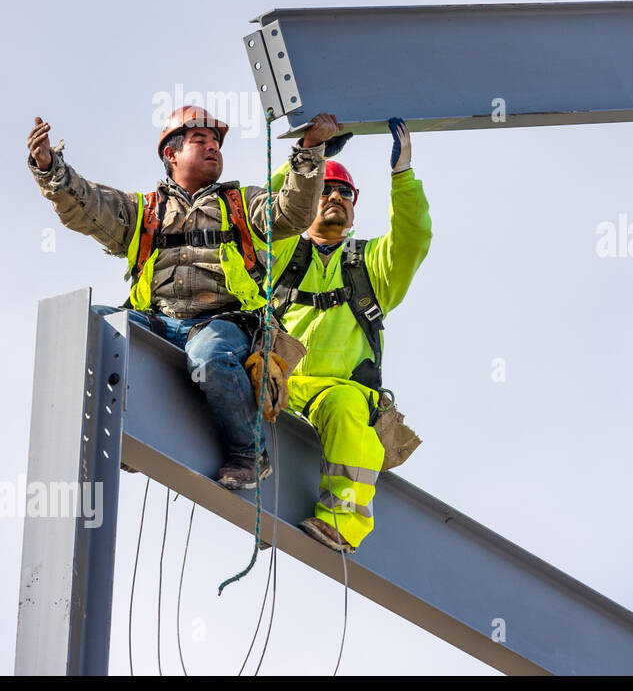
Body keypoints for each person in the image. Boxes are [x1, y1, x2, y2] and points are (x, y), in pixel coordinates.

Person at [26, 106, 342, 487]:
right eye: (200, 141)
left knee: (209, 357)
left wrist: (310, 151)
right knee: (89, 322)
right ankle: (123, 427)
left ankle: (248, 453)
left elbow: (292, 214)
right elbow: (88, 205)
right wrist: (48, 166)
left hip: (225, 322)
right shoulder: (144, 211)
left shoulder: (242, 204)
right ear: (171, 154)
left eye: (216, 143)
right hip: (159, 320)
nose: (213, 149)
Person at [268, 117, 431, 552]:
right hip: (283, 383)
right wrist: (308, 155)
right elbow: (268, 214)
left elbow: (413, 239)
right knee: (231, 377)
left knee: (345, 408)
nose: (335, 196)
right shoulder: (283, 254)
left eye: (344, 192)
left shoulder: (371, 263)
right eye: (326, 189)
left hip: (337, 394)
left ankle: (343, 523)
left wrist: (403, 177)